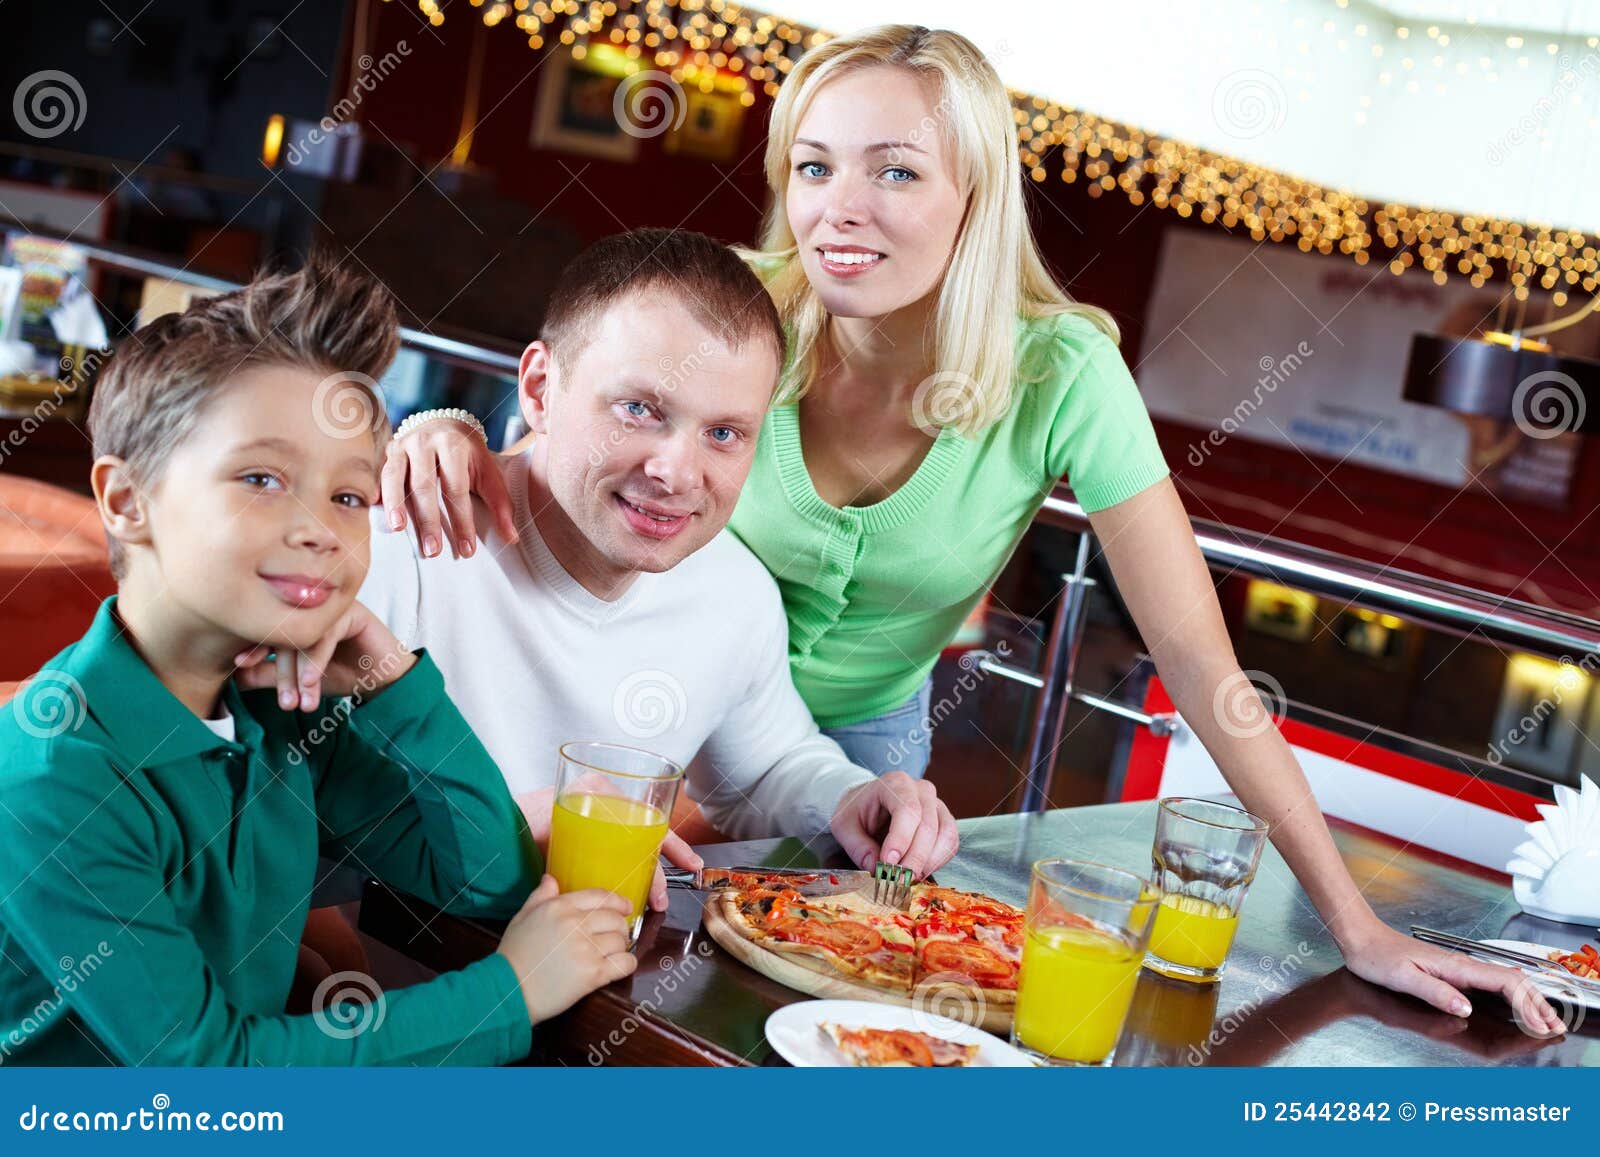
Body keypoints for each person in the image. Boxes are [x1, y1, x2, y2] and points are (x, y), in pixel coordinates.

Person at [381, 26, 1567, 1031]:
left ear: (973, 195)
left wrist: (1354, 925)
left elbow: (1207, 672)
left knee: (820, 1014)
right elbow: (577, 416)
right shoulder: (738, 311)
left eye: (894, 172)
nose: (839, 211)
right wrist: (439, 421)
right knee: (596, 973)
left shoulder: (1063, 374)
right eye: (813, 166)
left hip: (844, 735)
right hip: (643, 682)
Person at [0, 258, 637, 1065]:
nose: (322, 529)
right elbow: (206, 1075)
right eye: (263, 478)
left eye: (347, 495)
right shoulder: (51, 773)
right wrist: (511, 990)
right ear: (127, 502)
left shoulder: (272, 713)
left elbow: (488, 874)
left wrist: (393, 683)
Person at [265, 229, 959, 908]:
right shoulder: (398, 538)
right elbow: (269, 805)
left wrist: (851, 795)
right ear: (539, 389)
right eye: (640, 409)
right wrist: (503, 826)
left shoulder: (736, 592)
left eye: (724, 433)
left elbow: (770, 764)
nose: (677, 473)